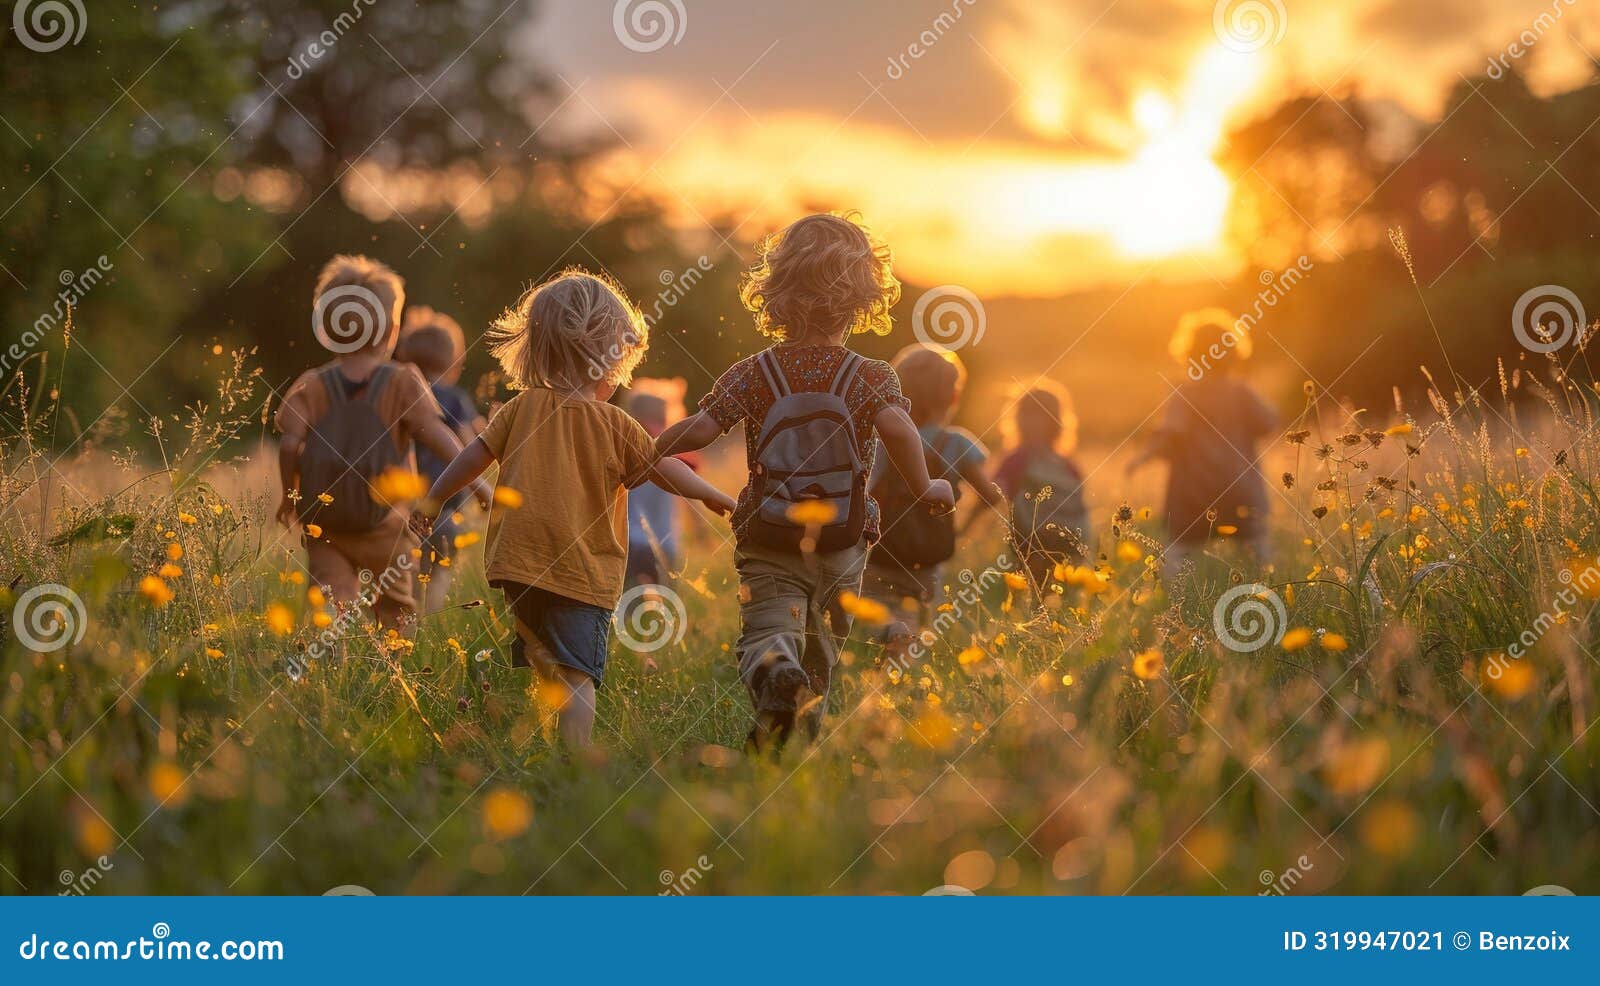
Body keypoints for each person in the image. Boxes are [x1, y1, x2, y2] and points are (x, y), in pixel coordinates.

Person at [654, 213, 954, 751]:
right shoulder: (870, 375)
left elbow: (701, 428)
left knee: (769, 631)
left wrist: (646, 451)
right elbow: (899, 430)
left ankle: (775, 675)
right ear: (864, 296)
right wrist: (927, 485)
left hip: (767, 536)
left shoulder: (751, 372)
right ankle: (796, 746)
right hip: (843, 542)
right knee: (824, 650)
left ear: (776, 291)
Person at [415, 269, 734, 748]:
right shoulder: (615, 423)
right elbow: (665, 467)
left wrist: (434, 498)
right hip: (582, 570)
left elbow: (471, 457)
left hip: (520, 565)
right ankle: (576, 759)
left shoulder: (519, 408)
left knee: (547, 658)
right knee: (579, 671)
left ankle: (547, 739)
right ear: (610, 357)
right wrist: (711, 495)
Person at [275, 255, 475, 628]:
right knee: (397, 608)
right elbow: (436, 434)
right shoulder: (402, 381)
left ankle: (329, 672)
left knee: (331, 605)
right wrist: (477, 480)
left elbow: (289, 445)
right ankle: (393, 672)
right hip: (389, 526)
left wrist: (290, 495)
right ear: (391, 331)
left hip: (326, 526)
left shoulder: (311, 384)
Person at [863, 343, 1004, 643]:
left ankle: (885, 643)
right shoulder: (958, 444)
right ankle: (902, 661)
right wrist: (963, 530)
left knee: (873, 613)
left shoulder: (885, 439)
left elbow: (866, 491)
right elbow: (992, 496)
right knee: (916, 617)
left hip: (881, 552)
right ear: (954, 395)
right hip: (928, 556)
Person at [1127, 308, 1278, 571]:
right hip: (1240, 492)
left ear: (1189, 353)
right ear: (1233, 354)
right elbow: (1269, 422)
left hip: (1193, 498)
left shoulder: (1185, 394)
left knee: (1178, 553)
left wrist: (1143, 457)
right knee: (1256, 553)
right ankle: (1266, 592)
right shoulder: (1241, 392)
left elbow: (1170, 435)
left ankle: (1175, 604)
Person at [396, 306, 486, 613]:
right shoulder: (455, 399)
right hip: (446, 510)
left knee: (403, 574)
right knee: (437, 576)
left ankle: (403, 622)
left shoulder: (401, 395)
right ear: (454, 361)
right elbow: (471, 446)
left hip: (402, 508)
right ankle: (429, 620)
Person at [994, 380, 1090, 591]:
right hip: (1064, 544)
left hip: (1026, 542)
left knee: (1030, 593)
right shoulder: (1067, 464)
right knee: (1058, 595)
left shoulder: (1016, 460)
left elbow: (992, 495)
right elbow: (1081, 509)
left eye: (1039, 415)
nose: (1034, 421)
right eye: (1030, 414)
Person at [621, 380, 700, 586]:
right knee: (664, 605)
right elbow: (692, 493)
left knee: (630, 605)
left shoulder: (624, 447)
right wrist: (700, 528)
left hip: (628, 542)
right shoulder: (675, 450)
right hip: (665, 543)